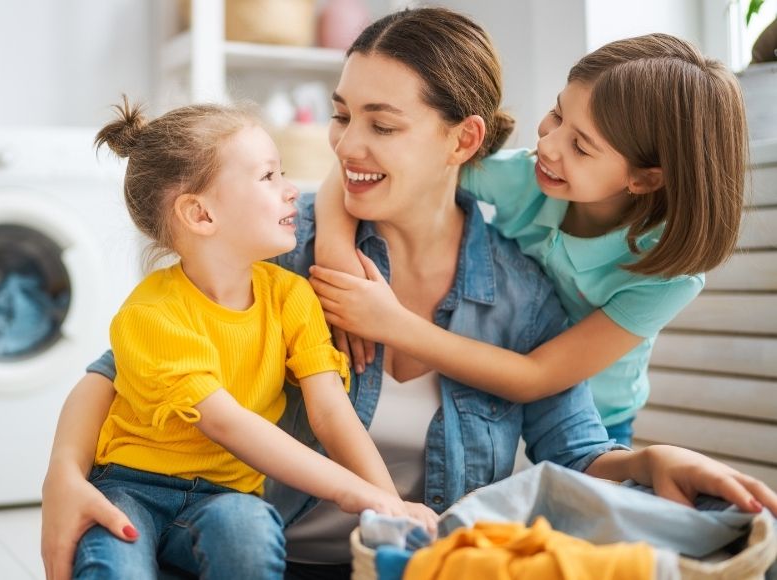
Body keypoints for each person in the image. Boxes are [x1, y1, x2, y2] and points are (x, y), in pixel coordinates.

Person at [42, 10, 777, 580]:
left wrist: (652, 462)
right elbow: (122, 368)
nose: (345, 145)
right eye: (340, 115)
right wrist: (64, 479)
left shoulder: (522, 296)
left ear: (463, 142)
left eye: (382, 124)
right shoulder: (277, 246)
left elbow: (576, 451)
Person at [310, 33, 747, 446]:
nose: (549, 145)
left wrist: (392, 323)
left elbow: (535, 377)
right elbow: (364, 165)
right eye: (557, 114)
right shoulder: (523, 177)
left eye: (581, 146)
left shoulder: (669, 276)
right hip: (490, 392)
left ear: (645, 177)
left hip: (594, 415)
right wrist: (335, 252)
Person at [65, 97, 436, 580]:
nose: (290, 192)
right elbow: (229, 424)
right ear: (200, 215)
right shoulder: (149, 314)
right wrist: (352, 492)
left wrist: (386, 501)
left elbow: (330, 410)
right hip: (129, 489)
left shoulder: (290, 296)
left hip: (227, 497)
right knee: (113, 564)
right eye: (268, 177)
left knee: (250, 531)